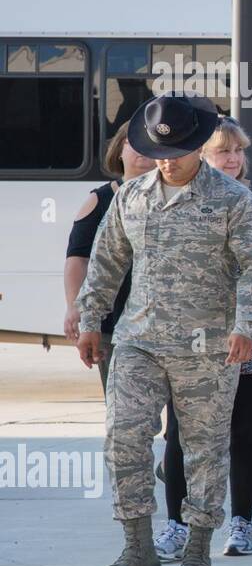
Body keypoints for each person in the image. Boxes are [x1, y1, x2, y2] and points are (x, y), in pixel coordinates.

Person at [75, 92, 252, 566]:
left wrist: (247, 326)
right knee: (124, 438)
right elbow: (106, 261)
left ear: (198, 145)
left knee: (204, 448)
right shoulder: (132, 196)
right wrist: (90, 319)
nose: (167, 162)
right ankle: (138, 547)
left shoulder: (233, 200)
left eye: (178, 152)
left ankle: (197, 549)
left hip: (208, 345)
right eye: (159, 153)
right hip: (139, 339)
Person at [156, 117, 252, 559]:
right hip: (190, 337)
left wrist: (245, 317)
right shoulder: (178, 198)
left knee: (243, 432)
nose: (232, 159)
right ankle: (176, 525)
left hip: (249, 333)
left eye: (237, 150)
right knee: (181, 434)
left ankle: (242, 524)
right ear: (200, 154)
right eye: (222, 151)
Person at [63, 126, 155, 390]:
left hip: (163, 326)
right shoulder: (100, 199)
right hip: (113, 324)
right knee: (123, 410)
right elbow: (77, 259)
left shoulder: (174, 197)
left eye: (149, 142)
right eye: (133, 142)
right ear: (120, 149)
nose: (141, 150)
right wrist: (73, 306)